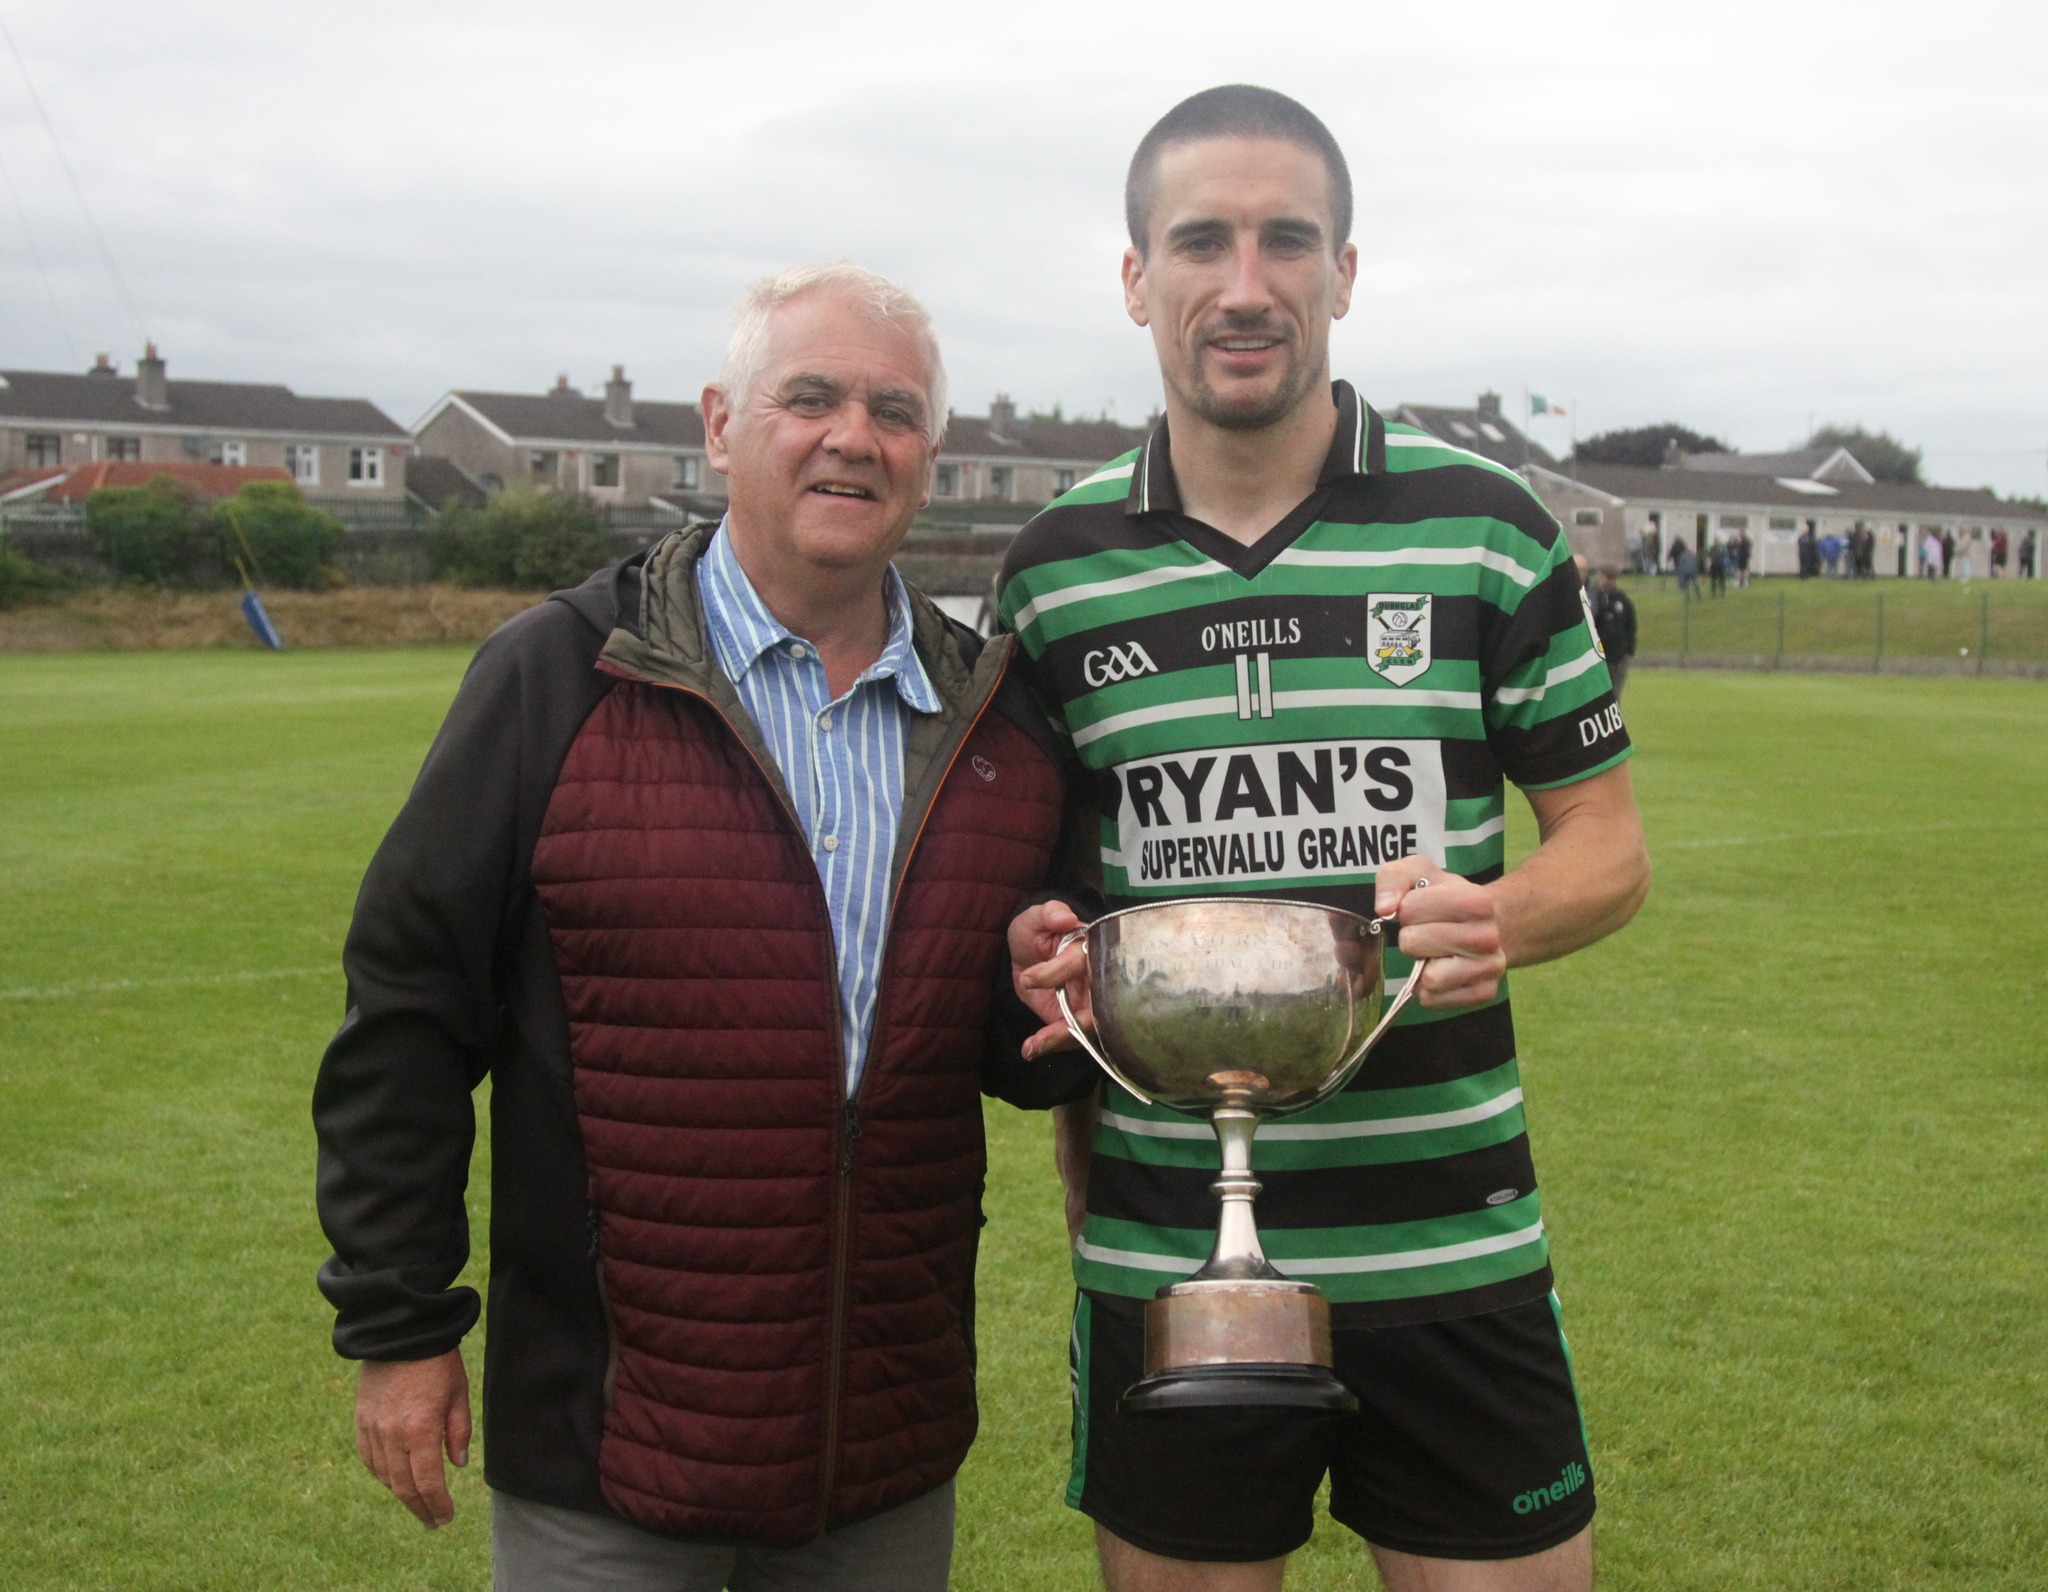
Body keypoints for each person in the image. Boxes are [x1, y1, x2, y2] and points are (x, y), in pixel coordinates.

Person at [313, 262, 1083, 1591]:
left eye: (894, 410)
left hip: (879, 1453)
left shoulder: (999, 722)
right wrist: (400, 1328)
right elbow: (408, 1016)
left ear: (931, 453)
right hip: (607, 1454)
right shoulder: (557, 677)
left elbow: (1004, 1060)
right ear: (722, 425)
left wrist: (1045, 1001)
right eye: (812, 398)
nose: (854, 437)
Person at [998, 86, 1650, 1592]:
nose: (1246, 285)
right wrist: (1038, 951)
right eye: (1200, 242)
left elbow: (1607, 849)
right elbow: (1049, 902)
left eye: (1287, 240)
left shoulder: (1484, 525)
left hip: (1452, 1253)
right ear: (1135, 279)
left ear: (1345, 272)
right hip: (1168, 1257)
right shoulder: (1055, 575)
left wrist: (1508, 916)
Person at [1591, 568, 1638, 699]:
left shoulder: (1622, 600)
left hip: (1619, 656)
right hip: (1599, 655)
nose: (1608, 582)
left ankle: (1614, 718)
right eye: (1605, 578)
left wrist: (1629, 648)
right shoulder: (1595, 599)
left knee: (1615, 694)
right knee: (1599, 695)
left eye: (1611, 579)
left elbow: (1631, 624)